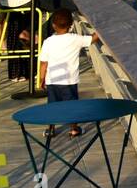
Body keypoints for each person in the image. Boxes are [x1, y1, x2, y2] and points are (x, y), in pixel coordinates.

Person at [38, 9, 98, 137]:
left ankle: (51, 130)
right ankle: (74, 129)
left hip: (52, 81)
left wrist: (41, 79)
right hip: (69, 81)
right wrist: (100, 28)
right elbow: (92, 39)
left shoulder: (48, 41)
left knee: (52, 106)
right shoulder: (75, 39)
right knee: (72, 106)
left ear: (53, 25)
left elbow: (44, 63)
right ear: (71, 25)